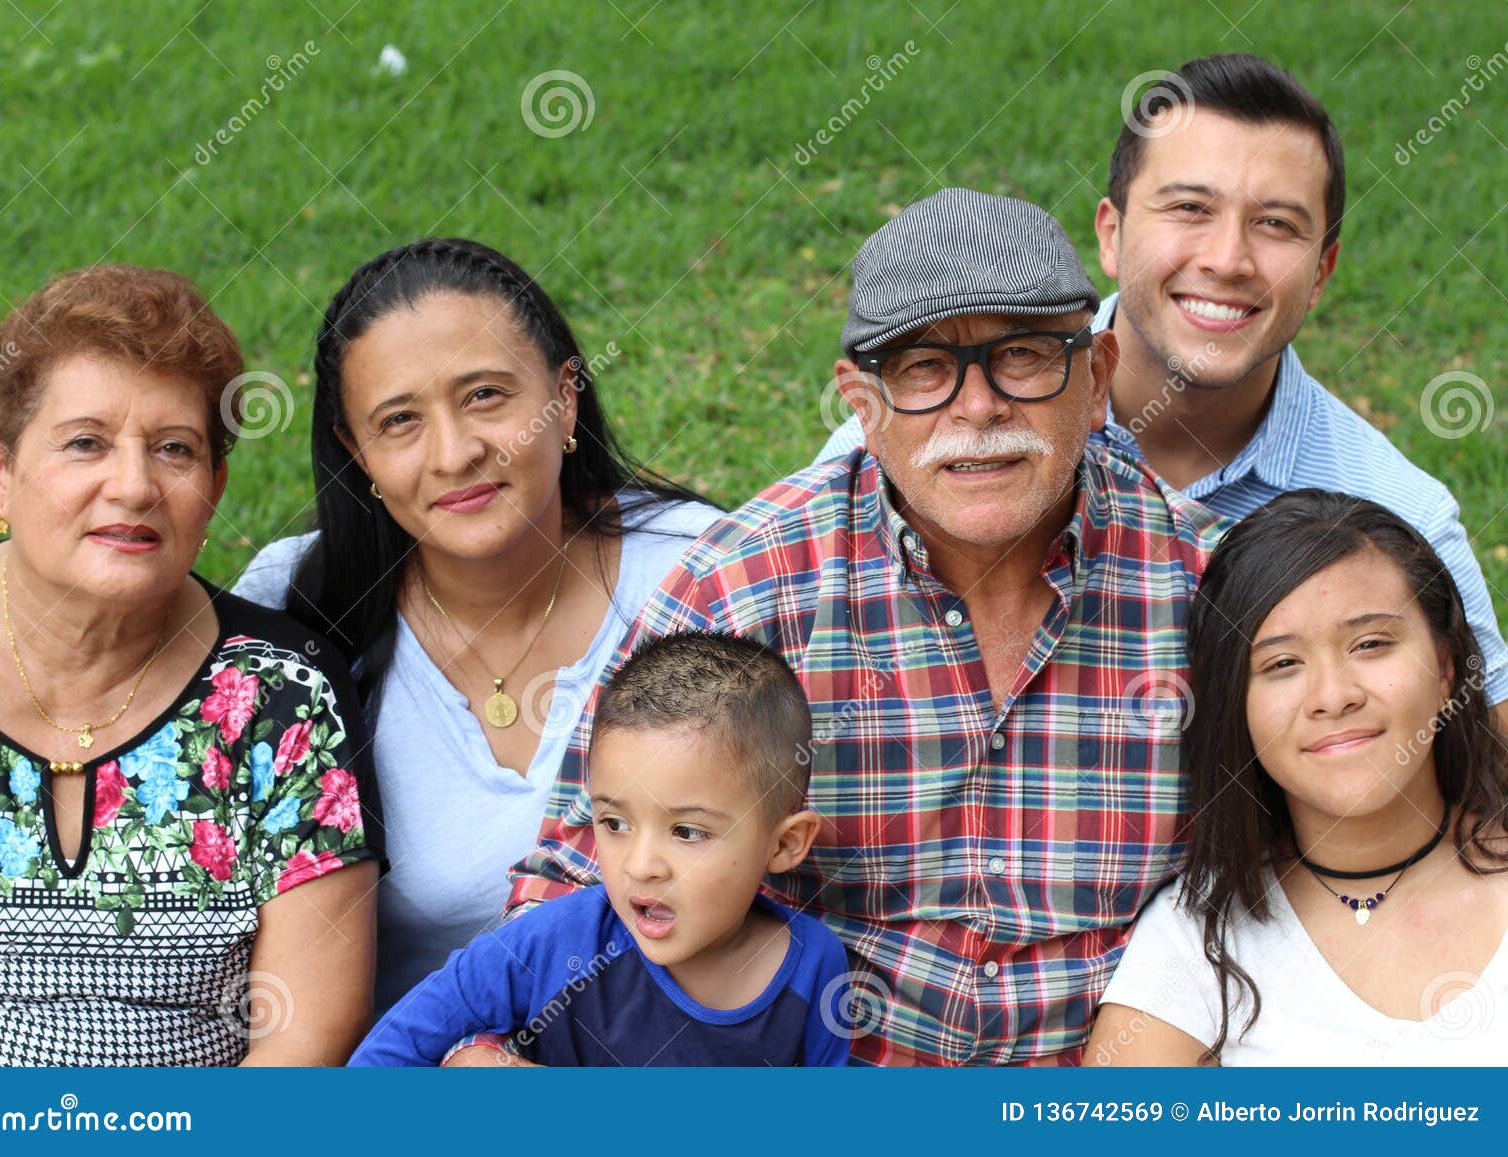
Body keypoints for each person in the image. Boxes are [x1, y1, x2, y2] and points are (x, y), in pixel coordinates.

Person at [448, 189, 1227, 1067]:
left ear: (1096, 378)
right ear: (860, 399)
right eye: (925, 368)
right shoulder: (745, 583)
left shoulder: (1210, 587)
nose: (978, 408)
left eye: (1022, 355)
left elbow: (1310, 882)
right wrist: (491, 1049)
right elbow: (585, 870)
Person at [814, 54, 1508, 716]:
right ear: (1111, 235)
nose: (1228, 259)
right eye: (1189, 209)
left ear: (1322, 272)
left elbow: (1489, 761)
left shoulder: (1395, 513)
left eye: (1276, 224)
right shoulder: (929, 435)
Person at [233, 238, 721, 1019]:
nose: (455, 452)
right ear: (357, 454)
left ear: (564, 398)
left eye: (486, 395)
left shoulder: (701, 579)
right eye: (399, 420)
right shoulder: (295, 607)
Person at [0, 264, 382, 1065]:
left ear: (214, 486)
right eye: (85, 442)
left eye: (174, 450)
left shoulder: (283, 696)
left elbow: (304, 1043)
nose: (133, 486)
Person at [1087, 490, 1508, 1065]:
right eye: (1282, 664)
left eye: (1371, 644)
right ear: (1236, 706)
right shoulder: (1195, 942)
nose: (1334, 696)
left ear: (1444, 671)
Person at [348, 631, 850, 1066]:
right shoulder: (550, 945)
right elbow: (389, 1053)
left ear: (783, 844)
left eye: (688, 832)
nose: (640, 866)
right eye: (613, 822)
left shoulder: (812, 968)